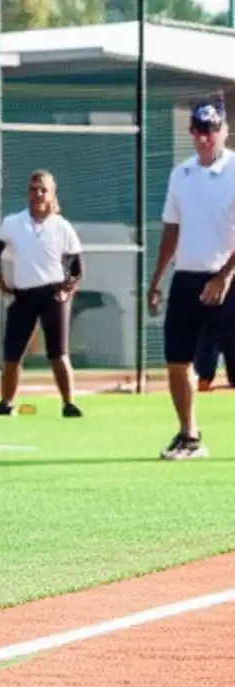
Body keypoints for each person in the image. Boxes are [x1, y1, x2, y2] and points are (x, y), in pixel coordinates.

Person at [146, 101, 235, 460]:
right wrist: (156, 280)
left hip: (229, 280)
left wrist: (224, 276)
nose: (204, 138)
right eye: (198, 130)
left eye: (210, 130)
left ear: (224, 131)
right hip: (186, 280)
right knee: (177, 361)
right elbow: (172, 228)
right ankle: (189, 435)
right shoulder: (180, 174)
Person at [0, 170, 84, 418]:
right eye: (33, 189)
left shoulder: (62, 227)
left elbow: (77, 269)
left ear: (52, 194)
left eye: (43, 189)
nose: (37, 194)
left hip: (52, 295)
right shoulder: (13, 223)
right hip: (24, 294)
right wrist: (1, 280)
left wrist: (66, 290)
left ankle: (68, 403)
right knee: (12, 352)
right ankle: (7, 403)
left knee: (58, 353)